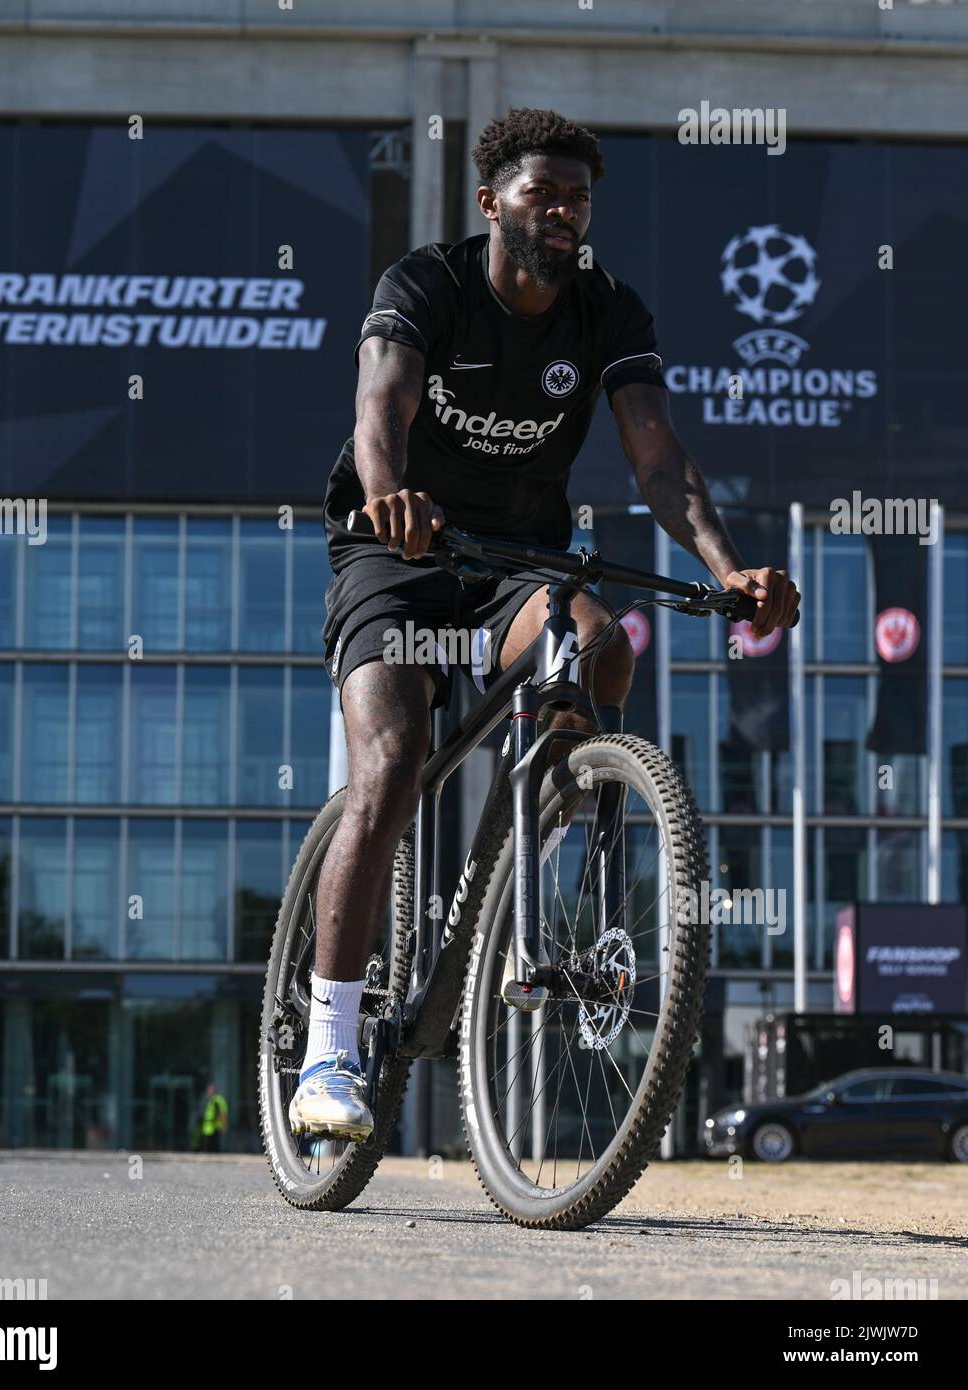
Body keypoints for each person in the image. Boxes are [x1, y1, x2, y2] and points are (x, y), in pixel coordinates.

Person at [289, 106, 800, 1143]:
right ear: (492, 203)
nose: (564, 211)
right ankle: (329, 1050)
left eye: (579, 197)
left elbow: (661, 461)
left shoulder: (607, 309)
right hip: (398, 557)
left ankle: (533, 834)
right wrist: (390, 495)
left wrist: (729, 568)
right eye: (543, 193)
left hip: (513, 567)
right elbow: (378, 413)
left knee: (601, 644)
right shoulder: (426, 284)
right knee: (389, 771)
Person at [197, 1082, 228, 1153]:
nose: (207, 1092)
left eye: (209, 1090)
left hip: (214, 1128)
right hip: (207, 1128)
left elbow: (222, 1113)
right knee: (208, 1148)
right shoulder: (210, 1100)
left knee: (213, 1148)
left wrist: (223, 1125)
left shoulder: (217, 1100)